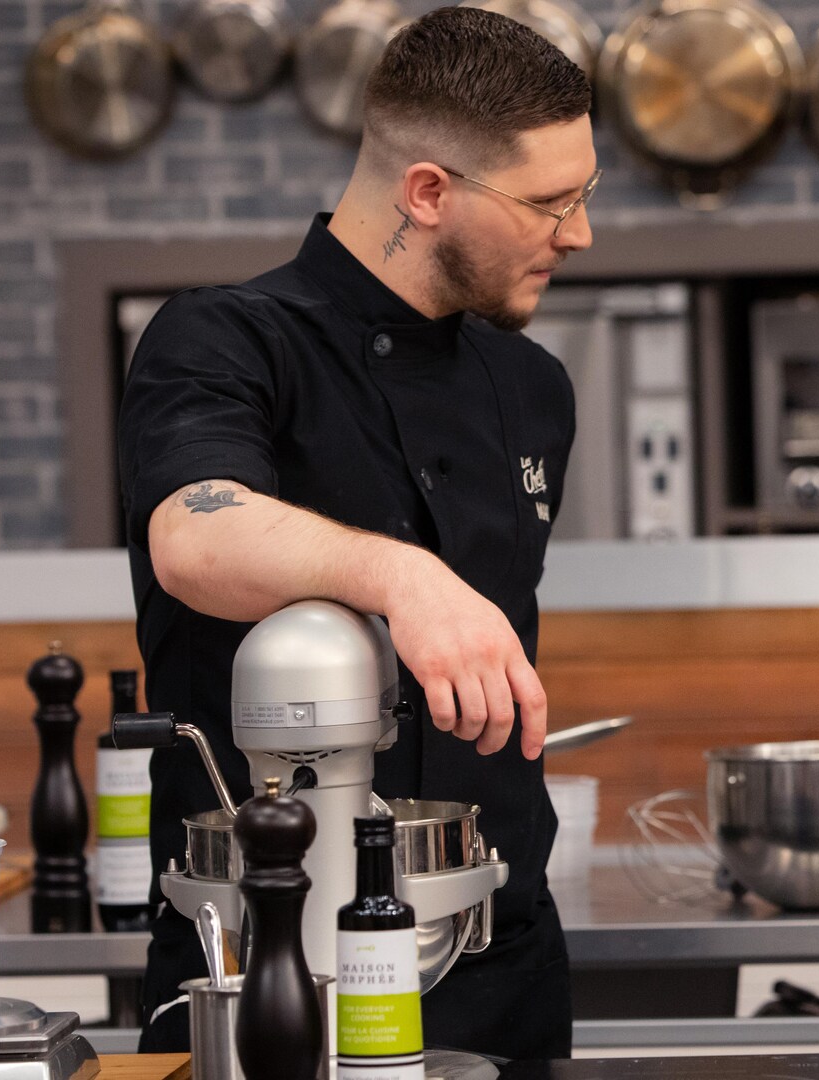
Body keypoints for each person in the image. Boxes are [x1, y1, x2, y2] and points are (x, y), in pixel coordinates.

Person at [115, 8, 598, 1058]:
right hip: (262, 967)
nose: (578, 233)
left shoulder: (533, 388)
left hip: (499, 964)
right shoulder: (225, 341)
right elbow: (195, 538)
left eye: (583, 195)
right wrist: (401, 578)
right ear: (427, 192)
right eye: (549, 203)